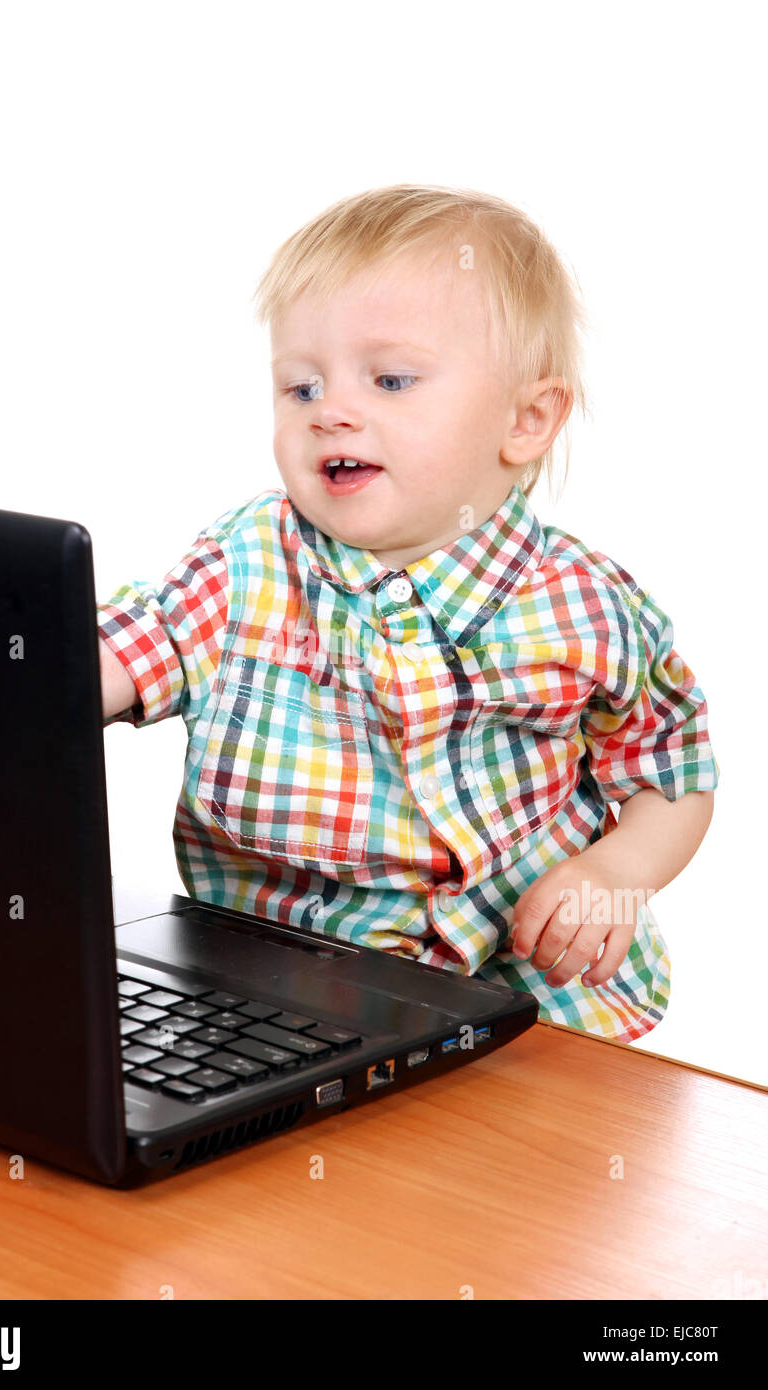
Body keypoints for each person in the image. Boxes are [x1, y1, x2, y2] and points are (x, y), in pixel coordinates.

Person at [96, 184, 718, 1044]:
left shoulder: (583, 604)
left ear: (526, 419)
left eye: (390, 380)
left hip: (536, 1006)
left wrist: (615, 871)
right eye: (300, 387)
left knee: (531, 1168)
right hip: (284, 1011)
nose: (332, 412)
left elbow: (672, 775)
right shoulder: (246, 564)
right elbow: (126, 651)